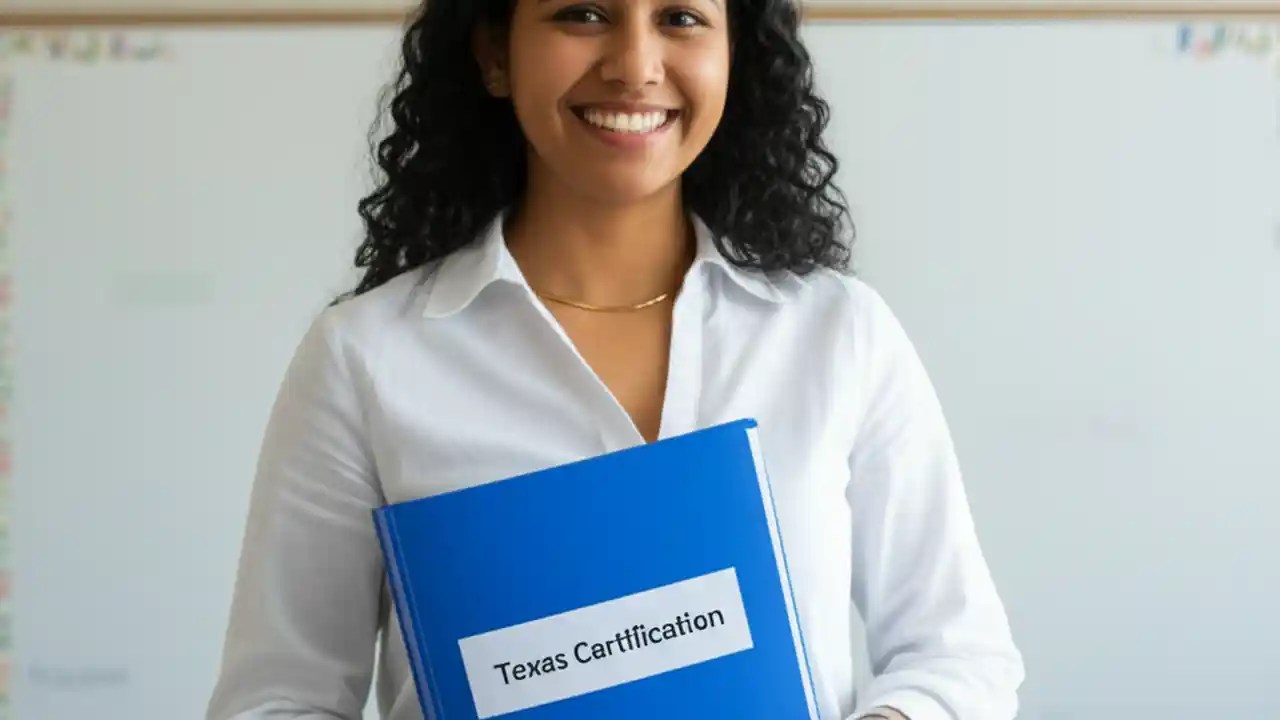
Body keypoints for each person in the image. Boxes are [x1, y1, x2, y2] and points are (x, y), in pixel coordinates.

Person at [205, 1, 1025, 718]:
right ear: (496, 54)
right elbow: (277, 701)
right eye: (582, 14)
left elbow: (960, 659)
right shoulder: (366, 358)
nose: (635, 65)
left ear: (733, 53)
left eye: (681, 18)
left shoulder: (838, 333)